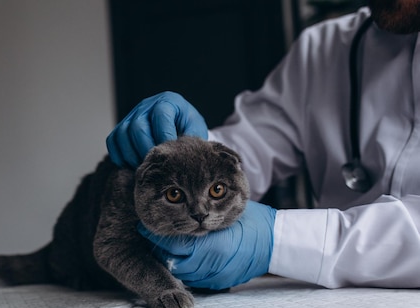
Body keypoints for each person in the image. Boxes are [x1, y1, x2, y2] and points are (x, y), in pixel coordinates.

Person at [106, 0, 420, 291]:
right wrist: (190, 150)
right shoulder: (325, 48)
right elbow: (251, 147)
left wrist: (278, 239)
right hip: (328, 306)